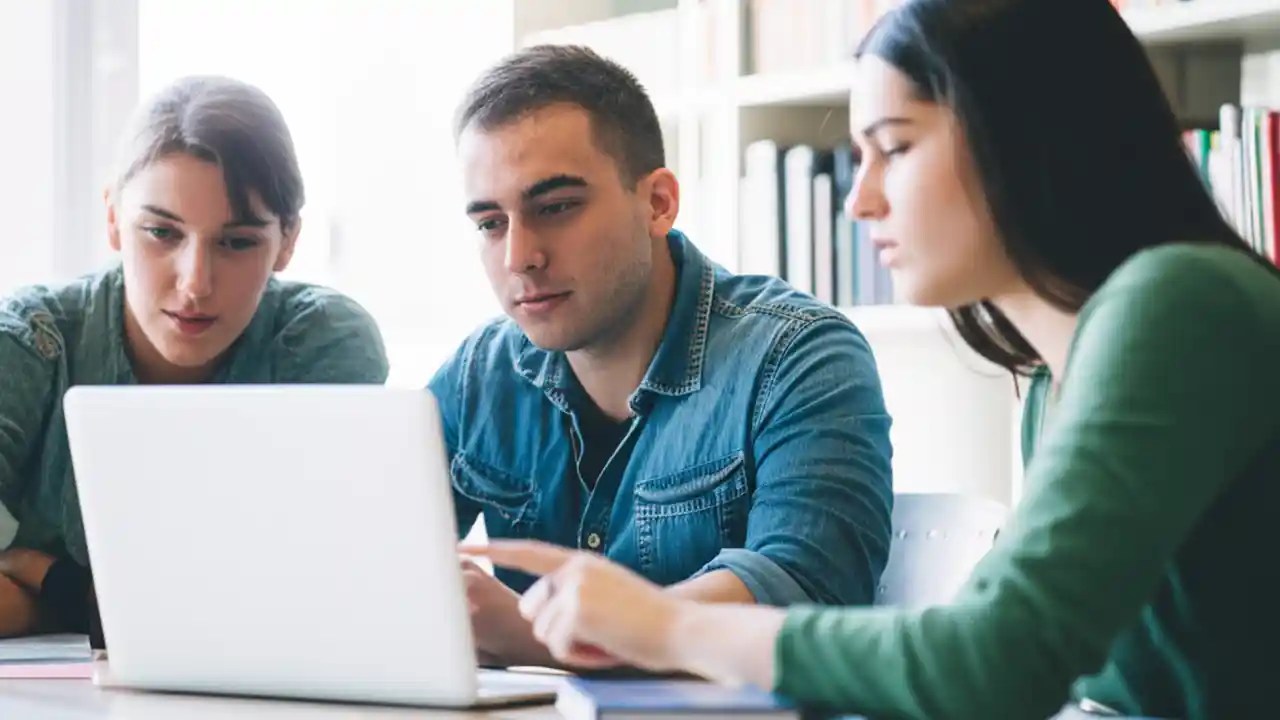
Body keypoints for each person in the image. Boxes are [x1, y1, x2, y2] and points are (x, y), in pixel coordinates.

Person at [468, 2, 1280, 718]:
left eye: (894, 148)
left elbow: (996, 666)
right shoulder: (1055, 377)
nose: (860, 199)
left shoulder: (1180, 306)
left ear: (1026, 133)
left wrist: (658, 623)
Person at [431, 45, 895, 667]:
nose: (519, 256)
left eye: (557, 207)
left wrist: (533, 633)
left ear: (658, 203)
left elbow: (806, 594)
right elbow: (361, 555)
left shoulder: (797, 356)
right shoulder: (476, 377)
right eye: (491, 223)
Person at [0, 75, 389, 639]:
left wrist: (53, 583)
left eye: (236, 242)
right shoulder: (30, 342)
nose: (196, 284)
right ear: (112, 218)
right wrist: (104, 609)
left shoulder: (322, 342)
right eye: (161, 232)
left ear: (287, 241)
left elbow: (295, 594)